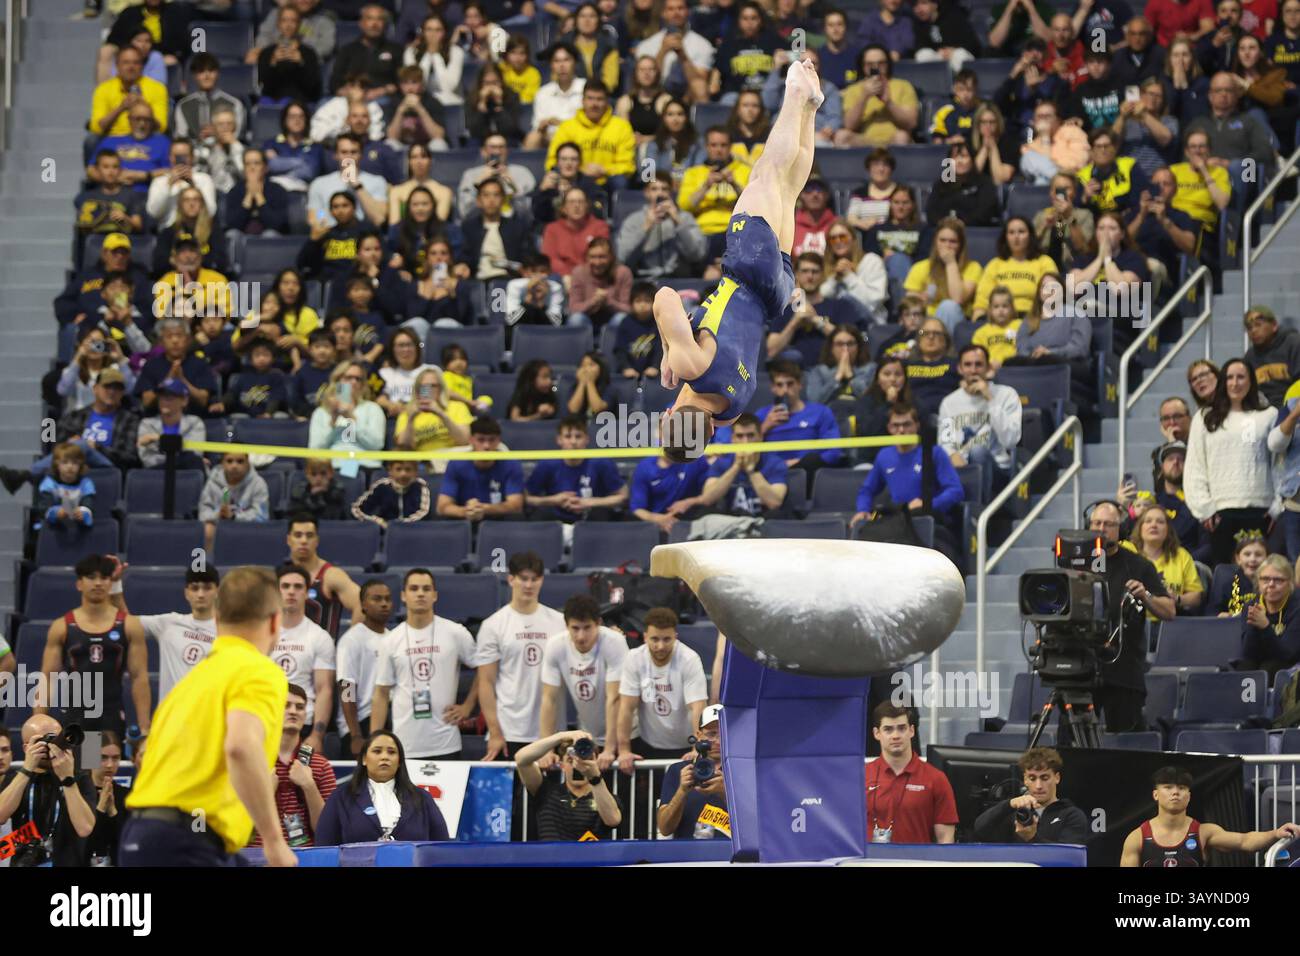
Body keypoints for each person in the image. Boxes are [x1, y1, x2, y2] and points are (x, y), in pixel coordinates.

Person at [653, 59, 827, 462]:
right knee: (767, 174)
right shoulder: (689, 364)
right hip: (747, 269)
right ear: (671, 415)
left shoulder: (731, 414)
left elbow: (699, 420)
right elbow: (663, 296)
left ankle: (810, 109)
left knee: (788, 191)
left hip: (775, 294)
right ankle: (795, 93)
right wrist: (667, 352)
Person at [120, 567, 296, 867]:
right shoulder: (257, 669)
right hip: (184, 841)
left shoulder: (190, 683)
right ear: (276, 621)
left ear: (216, 619)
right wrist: (274, 841)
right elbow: (241, 747)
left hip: (140, 835)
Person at [1084, 500, 1174, 733]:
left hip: (1124, 671)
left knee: (1127, 745)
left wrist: (1145, 596)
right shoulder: (1077, 562)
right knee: (1071, 744)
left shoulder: (1138, 565)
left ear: (1121, 529)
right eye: (1096, 523)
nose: (1101, 528)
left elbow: (1169, 610)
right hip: (1081, 669)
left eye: (1108, 524)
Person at [35, 554, 149, 739]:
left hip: (110, 716)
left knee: (101, 765)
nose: (98, 583)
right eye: (91, 577)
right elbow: (48, 678)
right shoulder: (61, 626)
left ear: (111, 583)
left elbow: (139, 678)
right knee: (78, 766)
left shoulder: (129, 625)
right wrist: (38, 721)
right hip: (75, 717)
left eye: (104, 578)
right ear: (79, 583)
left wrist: (144, 727)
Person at [370, 568, 478, 760]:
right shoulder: (390, 641)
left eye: (426, 589)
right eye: (414, 588)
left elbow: (485, 671)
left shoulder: (456, 633)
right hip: (404, 745)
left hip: (446, 743)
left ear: (435, 595)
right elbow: (381, 693)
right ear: (404, 595)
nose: (420, 593)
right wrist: (374, 743)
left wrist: (468, 706)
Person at [1184, 357, 1278, 565]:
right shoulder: (1204, 417)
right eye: (1230, 378)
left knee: (1261, 577)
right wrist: (1204, 508)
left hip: (1261, 510)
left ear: (1251, 381)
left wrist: (1276, 506)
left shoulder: (1269, 415)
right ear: (1223, 381)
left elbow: (1278, 464)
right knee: (1227, 578)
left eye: (1241, 377)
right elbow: (1195, 466)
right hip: (1220, 512)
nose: (1235, 383)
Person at [476, 552, 567, 761]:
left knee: (549, 795)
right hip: (510, 730)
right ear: (511, 580)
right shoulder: (493, 625)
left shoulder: (560, 622)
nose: (528, 585)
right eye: (523, 579)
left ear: (541, 581)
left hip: (552, 730)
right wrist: (495, 732)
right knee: (512, 795)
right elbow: (486, 683)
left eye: (534, 579)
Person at [1120, 765, 1300, 865]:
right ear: (1156, 795)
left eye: (1182, 788)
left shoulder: (1203, 832)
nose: (1176, 792)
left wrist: (1276, 833)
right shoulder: (1137, 838)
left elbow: (1245, 841)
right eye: (1168, 787)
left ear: (1189, 796)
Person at [314, 731, 450, 844]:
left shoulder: (422, 798)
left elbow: (442, 847)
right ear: (364, 759)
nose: (385, 757)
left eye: (391, 752)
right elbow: (324, 846)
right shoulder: (341, 797)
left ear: (399, 762)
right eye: (377, 751)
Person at [616, 607, 708, 773]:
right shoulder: (634, 658)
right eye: (655, 639)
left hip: (684, 745)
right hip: (648, 744)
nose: (660, 646)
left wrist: (697, 748)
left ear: (675, 637)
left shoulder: (689, 659)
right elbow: (626, 708)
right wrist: (623, 750)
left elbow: (698, 707)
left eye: (667, 639)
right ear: (645, 637)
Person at [539, 596, 629, 764]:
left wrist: (609, 748)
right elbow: (549, 700)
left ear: (598, 624)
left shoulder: (614, 642)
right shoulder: (555, 646)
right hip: (589, 733)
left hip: (625, 734)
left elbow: (615, 699)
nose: (581, 636)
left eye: (587, 628)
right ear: (566, 626)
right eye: (575, 628)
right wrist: (547, 750)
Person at [852, 403, 965, 533]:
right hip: (898, 520)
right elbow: (867, 490)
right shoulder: (884, 456)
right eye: (896, 425)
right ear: (889, 428)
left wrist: (928, 504)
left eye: (906, 424)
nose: (901, 430)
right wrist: (863, 510)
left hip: (929, 520)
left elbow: (955, 491)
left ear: (917, 426)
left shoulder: (934, 453)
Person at [0, 715, 97, 866]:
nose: (51, 745)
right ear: (27, 747)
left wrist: (67, 779)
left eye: (55, 738)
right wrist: (27, 769)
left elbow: (84, 828)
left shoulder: (80, 778)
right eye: (43, 741)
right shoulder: (15, 779)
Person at [249, 684, 338, 849]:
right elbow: (237, 829)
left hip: (306, 859)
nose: (293, 711)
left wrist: (309, 786)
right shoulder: (250, 762)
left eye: (300, 707)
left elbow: (328, 832)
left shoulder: (320, 765)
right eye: (286, 705)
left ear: (305, 716)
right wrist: (264, 794)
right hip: (259, 857)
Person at [125, 566, 221, 705]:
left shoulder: (228, 631)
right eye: (195, 588)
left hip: (208, 716)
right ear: (186, 593)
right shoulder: (168, 623)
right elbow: (128, 623)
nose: (200, 594)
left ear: (217, 591)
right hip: (171, 719)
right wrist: (116, 586)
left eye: (207, 588)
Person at [939, 344, 1023, 502]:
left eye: (978, 364)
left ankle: (980, 510)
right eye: (968, 365)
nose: (973, 370)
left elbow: (1010, 440)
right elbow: (945, 442)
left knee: (977, 451)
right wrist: (952, 455)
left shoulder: (1006, 395)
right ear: (960, 369)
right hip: (961, 469)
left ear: (988, 368)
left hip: (998, 468)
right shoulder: (949, 402)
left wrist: (990, 399)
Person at [865, 702, 958, 843]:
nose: (895, 735)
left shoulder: (936, 779)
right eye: (888, 730)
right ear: (876, 733)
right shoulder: (861, 776)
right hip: (869, 864)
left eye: (901, 728)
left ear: (912, 731)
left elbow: (945, 839)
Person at [272, 564, 337, 753]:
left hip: (303, 723)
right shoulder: (261, 633)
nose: (291, 592)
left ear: (307, 592)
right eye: (285, 586)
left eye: (298, 587)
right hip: (266, 721)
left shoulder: (319, 637)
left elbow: (324, 689)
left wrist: (317, 735)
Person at [515, 730, 624, 839]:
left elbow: (613, 820)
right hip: (553, 855)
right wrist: (561, 736)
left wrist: (595, 778)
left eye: (585, 760)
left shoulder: (605, 798)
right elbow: (521, 759)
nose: (576, 766)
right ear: (562, 764)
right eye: (570, 760)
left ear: (596, 762)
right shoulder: (545, 791)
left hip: (589, 856)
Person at [973, 747, 1089, 844]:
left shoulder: (1072, 816)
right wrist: (1009, 804)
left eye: (1045, 778)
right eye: (1032, 778)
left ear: (1057, 778)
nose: (1038, 786)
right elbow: (980, 828)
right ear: (1025, 779)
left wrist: (1032, 838)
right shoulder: (1017, 812)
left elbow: (1067, 858)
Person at [524, 415, 628, 521]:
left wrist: (590, 502)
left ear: (587, 439)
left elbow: (623, 496)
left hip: (592, 518)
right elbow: (526, 498)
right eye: (568, 436)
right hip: (555, 519)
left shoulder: (601, 462)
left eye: (578, 436)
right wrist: (553, 500)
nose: (573, 442)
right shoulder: (547, 464)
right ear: (559, 440)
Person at [334, 579, 392, 757]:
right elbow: (346, 687)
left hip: (388, 718)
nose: (384, 604)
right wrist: (355, 734)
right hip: (360, 722)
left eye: (387, 599)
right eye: (376, 599)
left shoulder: (393, 639)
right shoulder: (352, 640)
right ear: (363, 605)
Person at [754, 360, 845, 472]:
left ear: (799, 384)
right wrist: (764, 428)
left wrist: (802, 463)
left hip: (809, 471)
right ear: (773, 388)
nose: (785, 390)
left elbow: (833, 452)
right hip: (771, 473)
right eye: (779, 385)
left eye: (790, 384)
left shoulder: (820, 412)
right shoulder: (761, 416)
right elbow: (744, 453)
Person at [284, 513, 363, 640]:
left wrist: (349, 644)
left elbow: (362, 603)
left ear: (317, 540)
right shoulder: (282, 577)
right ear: (288, 540)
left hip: (322, 656)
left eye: (309, 536)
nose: (303, 541)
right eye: (298, 535)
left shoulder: (331, 575)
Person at [616, 171, 708, 280]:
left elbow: (698, 254)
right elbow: (621, 257)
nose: (660, 194)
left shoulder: (684, 218)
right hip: (644, 281)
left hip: (679, 280)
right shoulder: (634, 220)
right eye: (654, 189)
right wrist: (646, 226)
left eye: (664, 189)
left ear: (671, 192)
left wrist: (678, 223)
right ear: (646, 193)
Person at [655, 703, 728, 839]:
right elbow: (665, 828)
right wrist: (681, 791)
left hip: (730, 854)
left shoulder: (743, 770)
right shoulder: (678, 771)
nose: (718, 741)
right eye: (712, 734)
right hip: (687, 855)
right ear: (699, 735)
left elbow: (754, 821)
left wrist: (725, 793)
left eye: (724, 733)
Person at [1122, 500, 1206, 615]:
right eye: (1148, 521)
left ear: (1168, 530)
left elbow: (1196, 597)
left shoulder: (1181, 555)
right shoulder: (1126, 549)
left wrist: (1177, 598)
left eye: (1160, 522)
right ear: (1139, 528)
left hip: (1169, 621)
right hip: (1132, 622)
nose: (1154, 525)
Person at [436, 417, 526, 521]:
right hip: (464, 524)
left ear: (498, 441)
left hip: (499, 525)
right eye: (481, 440)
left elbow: (515, 505)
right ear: (471, 440)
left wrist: (483, 509)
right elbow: (442, 507)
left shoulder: (511, 464)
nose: (486, 446)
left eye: (492, 440)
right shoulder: (456, 464)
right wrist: (466, 512)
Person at [701, 412, 790, 517]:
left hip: (764, 522)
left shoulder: (775, 463)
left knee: (776, 515)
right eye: (740, 436)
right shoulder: (721, 463)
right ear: (733, 439)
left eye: (750, 435)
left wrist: (751, 471)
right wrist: (735, 467)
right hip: (730, 522)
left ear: (760, 437)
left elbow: (775, 503)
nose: (745, 442)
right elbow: (707, 500)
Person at [309, 361, 386, 478]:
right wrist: (333, 423)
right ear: (337, 381)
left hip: (364, 465)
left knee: (349, 473)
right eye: (348, 378)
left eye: (358, 379)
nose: (354, 382)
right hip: (332, 467)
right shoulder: (321, 412)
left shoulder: (372, 409)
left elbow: (377, 444)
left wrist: (352, 419)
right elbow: (315, 449)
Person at [902, 218, 983, 328]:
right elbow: (909, 300)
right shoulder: (920, 267)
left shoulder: (973, 267)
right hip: (925, 323)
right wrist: (920, 298)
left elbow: (957, 298)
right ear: (935, 241)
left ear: (961, 245)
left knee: (948, 306)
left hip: (957, 321)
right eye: (942, 240)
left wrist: (950, 263)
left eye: (952, 241)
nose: (947, 245)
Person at [836, 45, 920, 147]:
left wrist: (888, 102)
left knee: (902, 136)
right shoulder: (853, 89)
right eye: (870, 64)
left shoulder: (903, 85)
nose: (875, 67)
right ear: (862, 66)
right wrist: (864, 97)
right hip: (864, 141)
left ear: (888, 64)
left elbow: (911, 123)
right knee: (841, 136)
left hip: (894, 139)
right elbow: (849, 125)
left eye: (881, 63)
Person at [634, 0, 715, 104]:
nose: (676, 13)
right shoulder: (647, 46)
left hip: (688, 99)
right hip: (655, 98)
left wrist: (683, 56)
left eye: (680, 8)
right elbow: (645, 80)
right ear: (663, 13)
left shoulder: (703, 45)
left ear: (688, 12)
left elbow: (700, 86)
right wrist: (662, 51)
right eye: (670, 9)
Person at [1010, 272, 1094, 368]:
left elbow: (1080, 348)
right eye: (1044, 287)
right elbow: (1021, 348)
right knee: (1009, 363)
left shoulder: (1076, 314)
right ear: (1039, 293)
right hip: (1034, 364)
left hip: (1067, 365)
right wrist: (1034, 356)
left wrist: (1050, 353)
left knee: (1048, 360)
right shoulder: (1029, 319)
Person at [89, 46, 169, 138]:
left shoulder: (157, 88)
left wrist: (143, 105)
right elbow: (96, 128)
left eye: (136, 63)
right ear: (117, 66)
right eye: (126, 62)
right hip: (113, 138)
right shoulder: (103, 89)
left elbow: (161, 128)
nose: (131, 67)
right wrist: (121, 108)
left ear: (142, 66)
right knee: (91, 140)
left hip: (147, 138)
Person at [199, 452, 271, 552]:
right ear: (222, 463)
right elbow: (202, 514)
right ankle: (209, 565)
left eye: (240, 461)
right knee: (207, 530)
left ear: (248, 463)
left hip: (247, 528)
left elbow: (262, 517)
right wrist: (218, 514)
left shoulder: (258, 483)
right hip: (219, 526)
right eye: (229, 461)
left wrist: (234, 516)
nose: (234, 465)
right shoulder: (212, 482)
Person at [456, 134, 537, 220]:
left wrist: (513, 186)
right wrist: (478, 184)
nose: (497, 152)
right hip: (480, 224)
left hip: (514, 224)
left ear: (507, 151)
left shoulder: (522, 172)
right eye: (493, 147)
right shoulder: (471, 174)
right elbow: (465, 211)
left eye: (501, 147)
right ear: (483, 151)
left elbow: (529, 211)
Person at [526, 43, 588, 151]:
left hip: (580, 137)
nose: (562, 65)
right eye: (557, 61)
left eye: (566, 60)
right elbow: (538, 127)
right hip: (550, 139)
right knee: (533, 137)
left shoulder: (586, 88)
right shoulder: (543, 93)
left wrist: (561, 124)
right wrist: (543, 127)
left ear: (574, 63)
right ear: (551, 65)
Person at [257, 5, 324, 103]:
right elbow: (264, 87)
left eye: (293, 21)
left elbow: (313, 88)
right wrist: (272, 63)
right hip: (273, 101)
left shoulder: (309, 53)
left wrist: (301, 63)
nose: (288, 25)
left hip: (300, 102)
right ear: (278, 24)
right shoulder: (267, 53)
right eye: (284, 20)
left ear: (299, 24)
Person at [135, 379, 206, 470]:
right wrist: (182, 456)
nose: (164, 401)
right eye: (161, 397)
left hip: (186, 476)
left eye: (170, 398)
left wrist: (157, 438)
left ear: (184, 400)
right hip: (156, 475)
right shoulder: (147, 424)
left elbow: (196, 453)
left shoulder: (195, 422)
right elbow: (147, 459)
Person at [86, 731, 130, 866]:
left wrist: (112, 812)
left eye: (115, 758)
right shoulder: (78, 794)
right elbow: (79, 842)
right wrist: (100, 808)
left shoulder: (127, 795)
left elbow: (127, 842)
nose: (110, 765)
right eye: (103, 758)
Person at [805, 324, 876, 406]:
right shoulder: (819, 371)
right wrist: (837, 377)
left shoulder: (871, 369)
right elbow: (814, 402)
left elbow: (871, 402)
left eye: (850, 344)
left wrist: (850, 376)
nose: (845, 349)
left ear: (859, 347)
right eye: (839, 344)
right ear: (831, 348)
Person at [32, 442, 96, 533]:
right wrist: (56, 513)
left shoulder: (86, 484)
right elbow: (44, 506)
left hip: (79, 527)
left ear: (80, 465)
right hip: (54, 527)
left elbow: (88, 503)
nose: (70, 467)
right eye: (65, 462)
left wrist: (84, 512)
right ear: (57, 465)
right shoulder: (49, 483)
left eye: (74, 463)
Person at [1244, 306, 1300, 408]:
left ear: (1274, 325)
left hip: (1294, 408)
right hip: (1263, 412)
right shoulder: (1249, 356)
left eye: (1258, 325)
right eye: (1249, 328)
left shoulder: (1294, 343)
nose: (1253, 331)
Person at [1208, 527, 1269, 614]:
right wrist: (1220, 615)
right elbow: (1211, 612)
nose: (1252, 559)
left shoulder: (1271, 583)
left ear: (1267, 558)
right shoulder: (1227, 582)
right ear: (1238, 558)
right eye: (1247, 554)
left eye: (1258, 555)